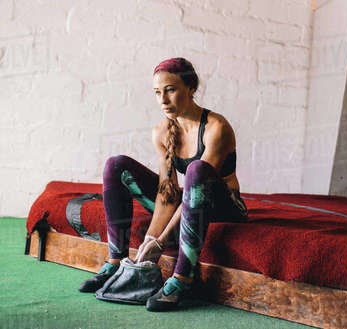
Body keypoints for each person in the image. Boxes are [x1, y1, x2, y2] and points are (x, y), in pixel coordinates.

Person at [78, 57, 248, 312]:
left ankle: (182, 278)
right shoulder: (162, 131)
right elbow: (166, 195)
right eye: (158, 92)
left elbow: (198, 185)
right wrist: (150, 240)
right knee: (116, 165)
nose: (163, 100)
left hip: (225, 208)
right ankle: (116, 263)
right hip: (189, 204)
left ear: (191, 88)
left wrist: (163, 239)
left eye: (170, 90)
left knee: (197, 169)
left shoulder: (216, 128)